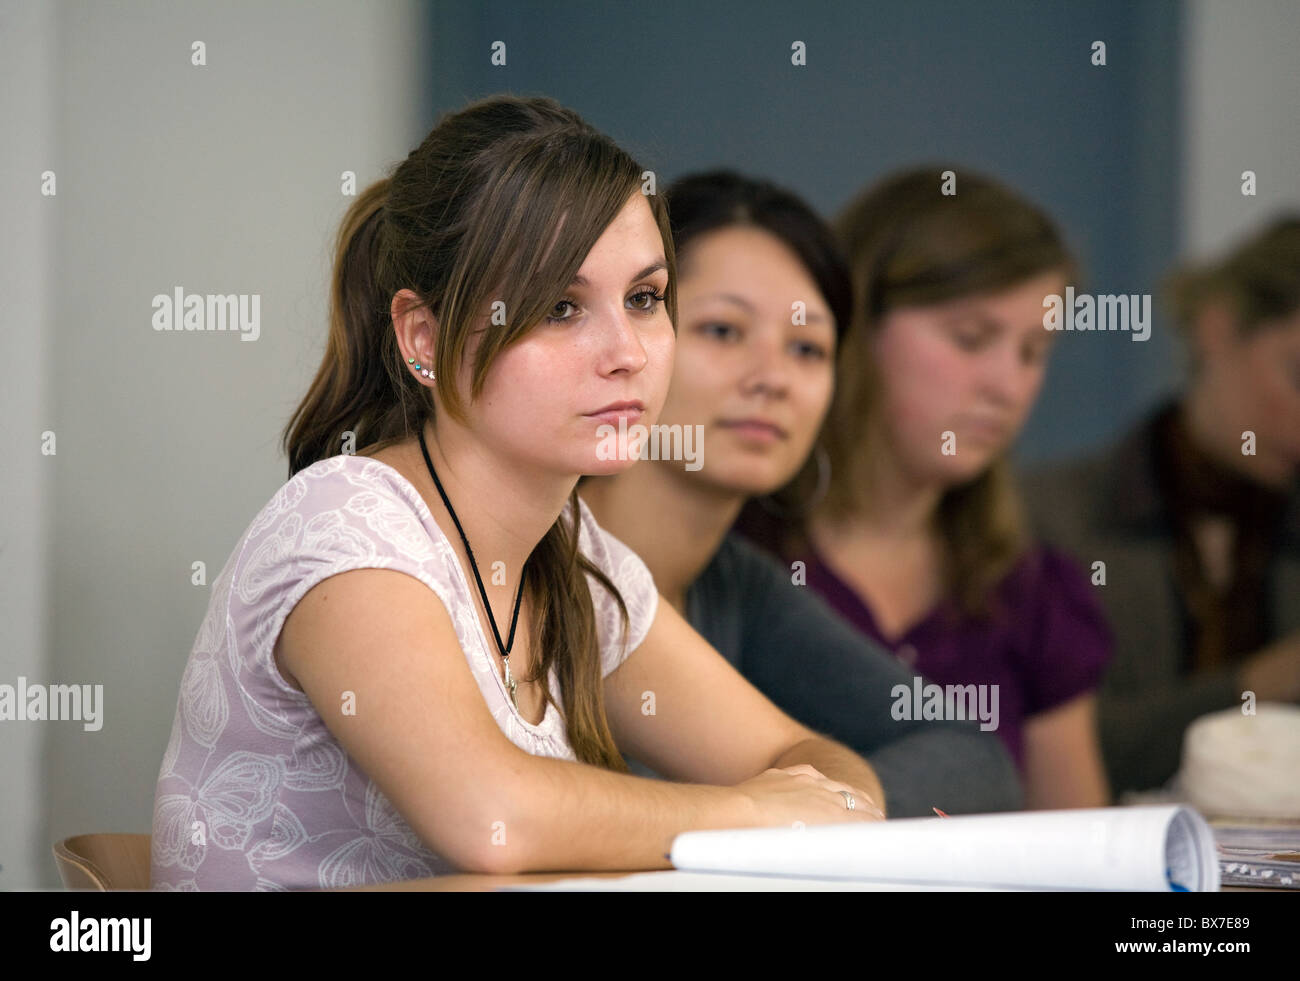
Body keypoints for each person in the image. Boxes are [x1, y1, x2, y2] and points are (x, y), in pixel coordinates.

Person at [149, 94, 889, 892]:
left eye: (645, 299)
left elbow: (810, 761)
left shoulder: (575, 559)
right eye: (560, 308)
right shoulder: (344, 525)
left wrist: (818, 801)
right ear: (423, 337)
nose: (627, 353)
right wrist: (756, 812)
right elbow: (490, 815)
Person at [579, 170, 1022, 817]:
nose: (773, 378)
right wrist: (757, 814)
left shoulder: (737, 584)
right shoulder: (534, 555)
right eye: (725, 331)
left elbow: (970, 759)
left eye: (808, 347)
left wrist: (811, 813)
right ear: (633, 335)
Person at [734, 166, 1114, 809]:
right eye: (972, 338)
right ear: (852, 324)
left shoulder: (1033, 590)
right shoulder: (733, 553)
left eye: (1033, 351)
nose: (1008, 386)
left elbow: (1088, 852)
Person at [1021, 216, 1300, 796]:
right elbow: (1066, 750)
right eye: (1299, 374)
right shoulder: (1051, 515)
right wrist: (1268, 678)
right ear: (1217, 330)